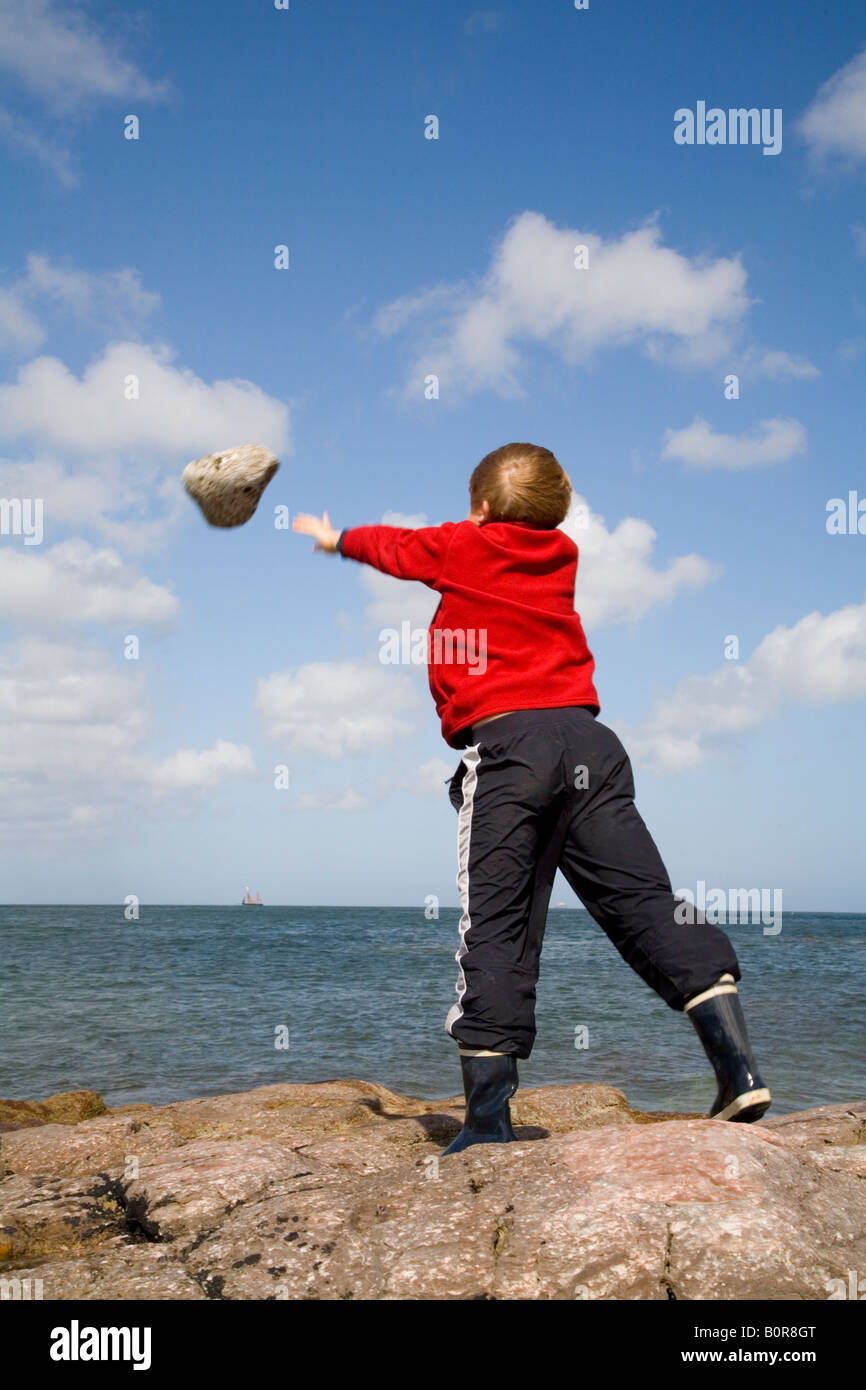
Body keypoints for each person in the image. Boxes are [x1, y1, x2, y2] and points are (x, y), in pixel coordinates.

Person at [293, 442, 770, 1153]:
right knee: (645, 900)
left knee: (498, 921)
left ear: (480, 508)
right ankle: (739, 1070)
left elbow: (396, 548)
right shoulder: (561, 554)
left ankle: (488, 1121)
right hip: (590, 746)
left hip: (511, 749)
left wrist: (337, 540)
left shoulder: (464, 544)